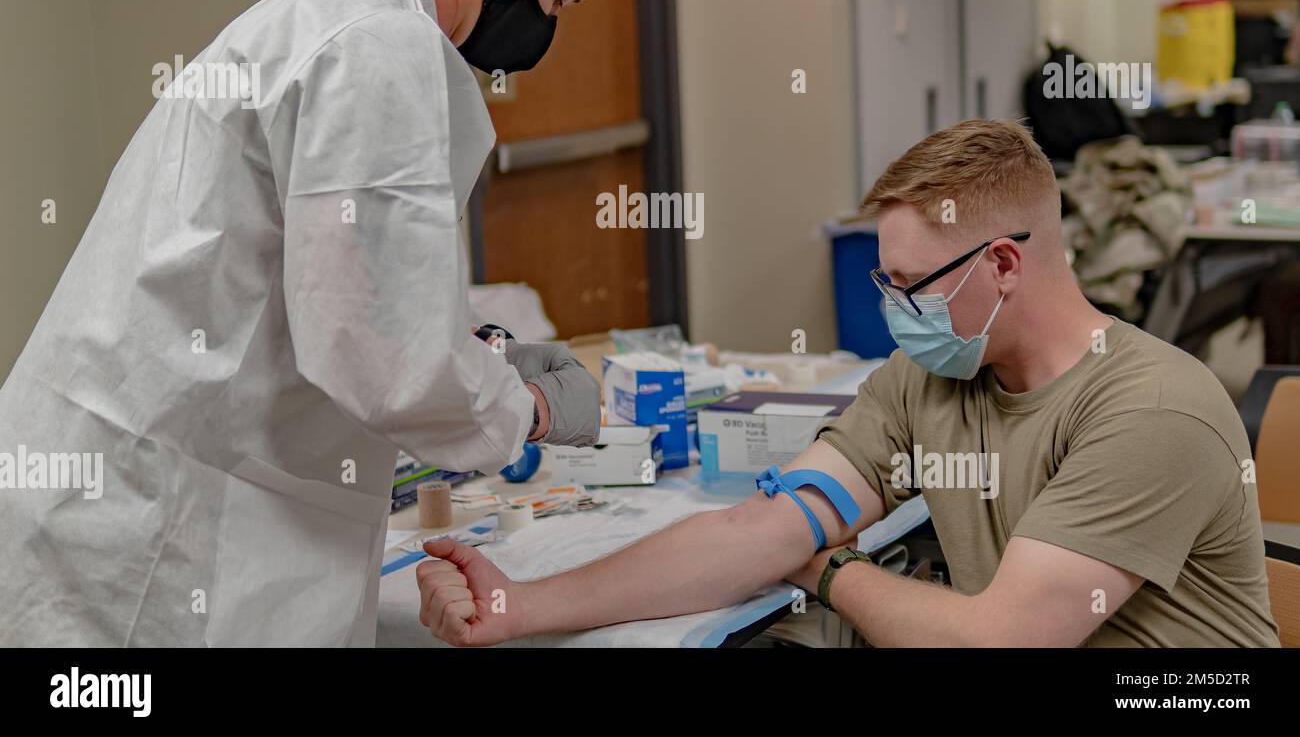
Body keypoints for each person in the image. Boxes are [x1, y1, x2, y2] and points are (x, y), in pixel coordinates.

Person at [0, 0, 636, 646]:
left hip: (122, 475)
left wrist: (481, 354)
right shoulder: (380, 46)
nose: (546, 26)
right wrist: (530, 410)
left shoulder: (336, 10)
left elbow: (327, 287)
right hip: (150, 524)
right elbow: (385, 365)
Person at [418, 120, 1280, 648]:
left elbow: (1002, 640)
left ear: (1005, 263)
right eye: (883, 285)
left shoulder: (1150, 409)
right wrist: (518, 605)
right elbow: (763, 529)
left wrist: (829, 571)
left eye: (909, 286)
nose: (893, 311)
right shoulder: (927, 379)